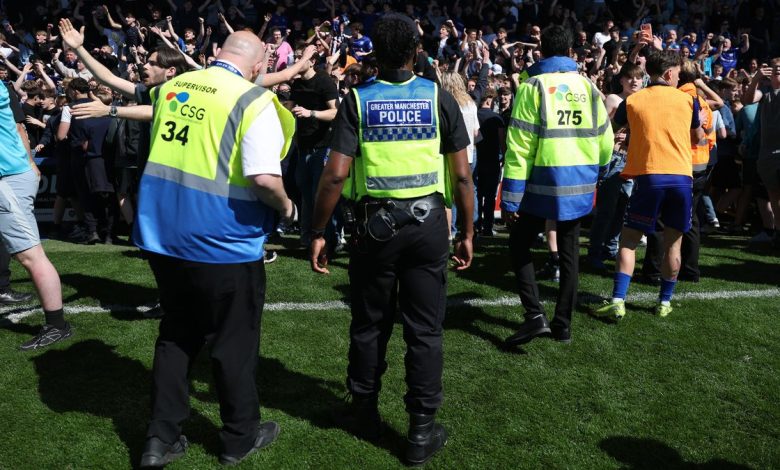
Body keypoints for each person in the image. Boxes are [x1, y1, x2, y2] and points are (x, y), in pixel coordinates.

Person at [309, 13, 473, 466]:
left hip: (373, 230)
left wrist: (319, 231)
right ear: (415, 52)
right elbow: (463, 176)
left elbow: (334, 177)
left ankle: (363, 410)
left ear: (375, 54)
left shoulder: (357, 101)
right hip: (428, 226)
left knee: (369, 324)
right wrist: (469, 231)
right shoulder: (438, 97)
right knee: (425, 330)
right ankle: (420, 431)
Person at [132, 31, 296, 467]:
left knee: (177, 332)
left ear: (215, 55)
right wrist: (287, 206)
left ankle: (160, 438)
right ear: (260, 66)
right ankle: (239, 437)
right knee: (233, 343)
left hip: (163, 235)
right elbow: (263, 178)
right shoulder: (252, 101)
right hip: (223, 242)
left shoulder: (173, 86)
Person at [501, 25, 613, 347]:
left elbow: (520, 146)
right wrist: (597, 172)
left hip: (541, 184)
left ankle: (534, 315)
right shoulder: (588, 87)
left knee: (520, 243)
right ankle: (563, 325)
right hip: (579, 183)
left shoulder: (532, 86)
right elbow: (605, 141)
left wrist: (510, 199)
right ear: (571, 52)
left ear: (541, 51)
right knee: (569, 253)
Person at [595, 50, 705, 320]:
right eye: (678, 73)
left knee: (629, 240)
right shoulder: (689, 100)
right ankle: (664, 302)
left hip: (649, 175)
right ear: (669, 74)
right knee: (673, 244)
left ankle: (618, 300)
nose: (679, 77)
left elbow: (615, 127)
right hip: (681, 177)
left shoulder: (634, 100)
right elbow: (699, 137)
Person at [0, 77, 69, 351]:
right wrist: (30, 162)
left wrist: (28, 164)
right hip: (14, 173)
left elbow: (18, 128)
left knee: (31, 255)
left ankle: (57, 325)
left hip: (7, 178)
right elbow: (18, 128)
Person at [588, 62, 644, 271]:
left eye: (638, 77)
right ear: (621, 80)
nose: (634, 81)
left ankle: (610, 248)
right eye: (630, 77)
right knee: (606, 210)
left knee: (623, 208)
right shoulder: (614, 99)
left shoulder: (641, 99)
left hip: (631, 158)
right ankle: (595, 252)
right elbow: (601, 130)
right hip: (614, 158)